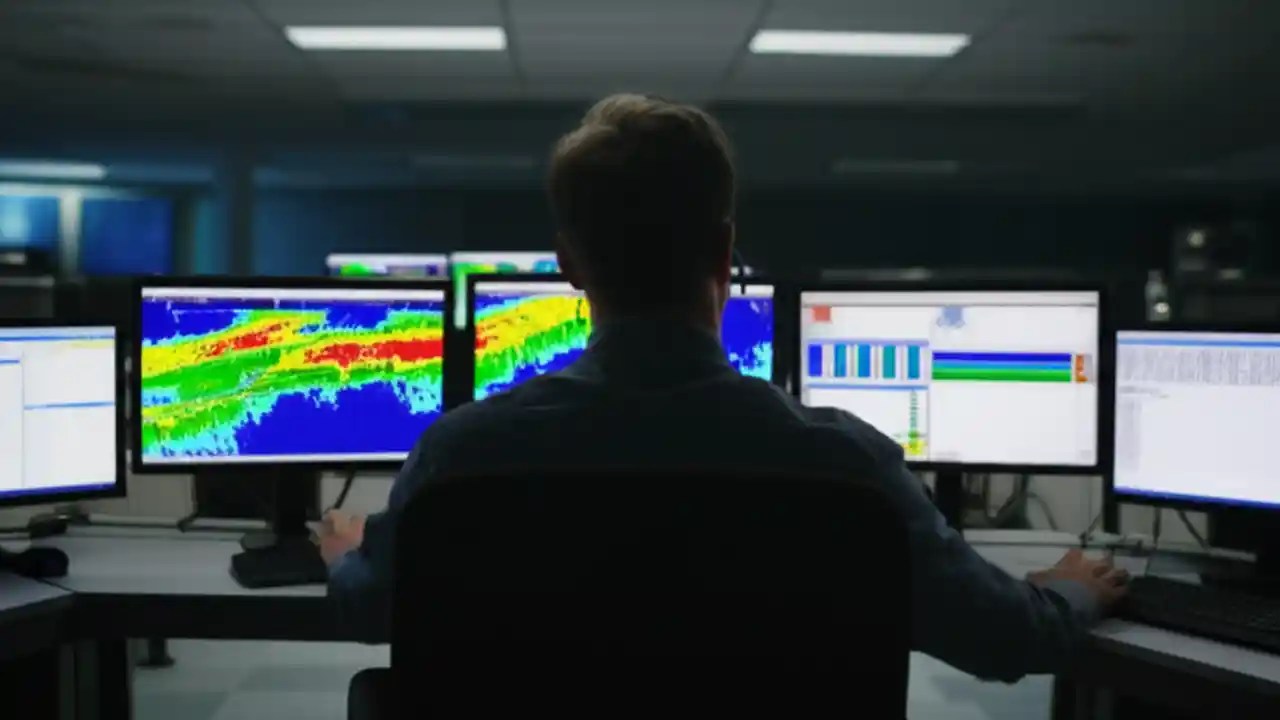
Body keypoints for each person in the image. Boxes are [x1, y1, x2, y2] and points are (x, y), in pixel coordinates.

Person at [319, 93, 1128, 681]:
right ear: (725, 249)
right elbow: (1005, 642)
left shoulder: (463, 455)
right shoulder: (846, 468)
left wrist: (351, 556)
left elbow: (368, 610)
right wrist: (1068, 591)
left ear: (566, 264)